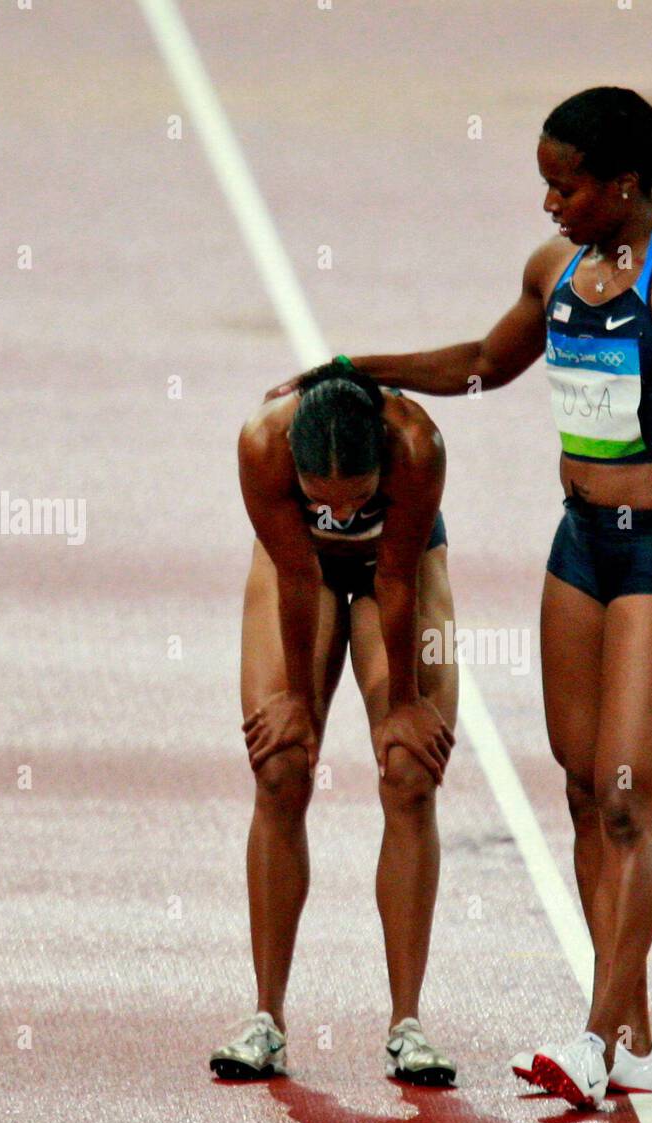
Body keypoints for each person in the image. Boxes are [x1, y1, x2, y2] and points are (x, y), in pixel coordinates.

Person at [266, 88, 652, 1107]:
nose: (548, 203)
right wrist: (354, 368)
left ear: (623, 184)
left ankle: (591, 1039)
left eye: (565, 184)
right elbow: (483, 365)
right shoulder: (556, 272)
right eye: (543, 181)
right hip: (578, 545)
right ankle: (631, 1031)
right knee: (583, 788)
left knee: (630, 798)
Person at [210, 360, 458, 1086]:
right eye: (327, 502)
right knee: (281, 765)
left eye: (358, 500)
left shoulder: (416, 445)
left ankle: (407, 1024)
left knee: (412, 772)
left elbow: (395, 578)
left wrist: (406, 703)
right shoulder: (262, 441)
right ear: (294, 467)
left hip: (399, 572)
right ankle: (265, 1019)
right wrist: (293, 698)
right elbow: (295, 575)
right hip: (303, 572)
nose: (344, 514)